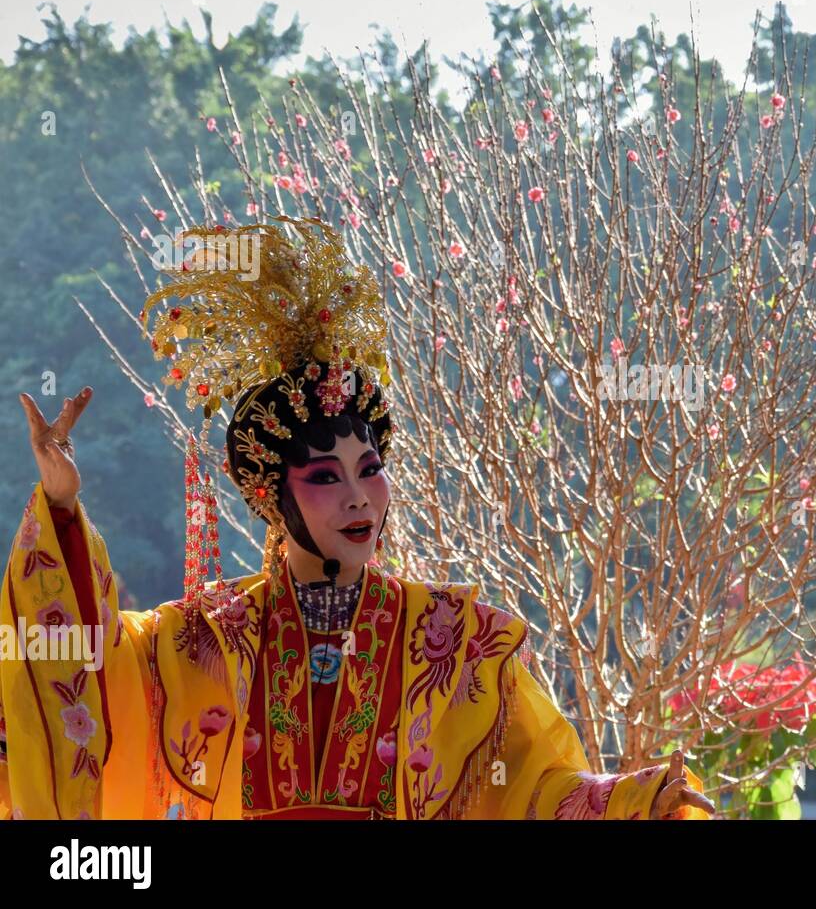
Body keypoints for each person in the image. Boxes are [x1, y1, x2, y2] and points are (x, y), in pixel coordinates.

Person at [0, 216, 714, 820]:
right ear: (266, 495)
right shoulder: (206, 638)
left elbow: (538, 788)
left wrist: (636, 802)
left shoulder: (460, 641)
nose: (357, 497)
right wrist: (62, 506)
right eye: (323, 476)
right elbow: (86, 676)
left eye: (370, 470)